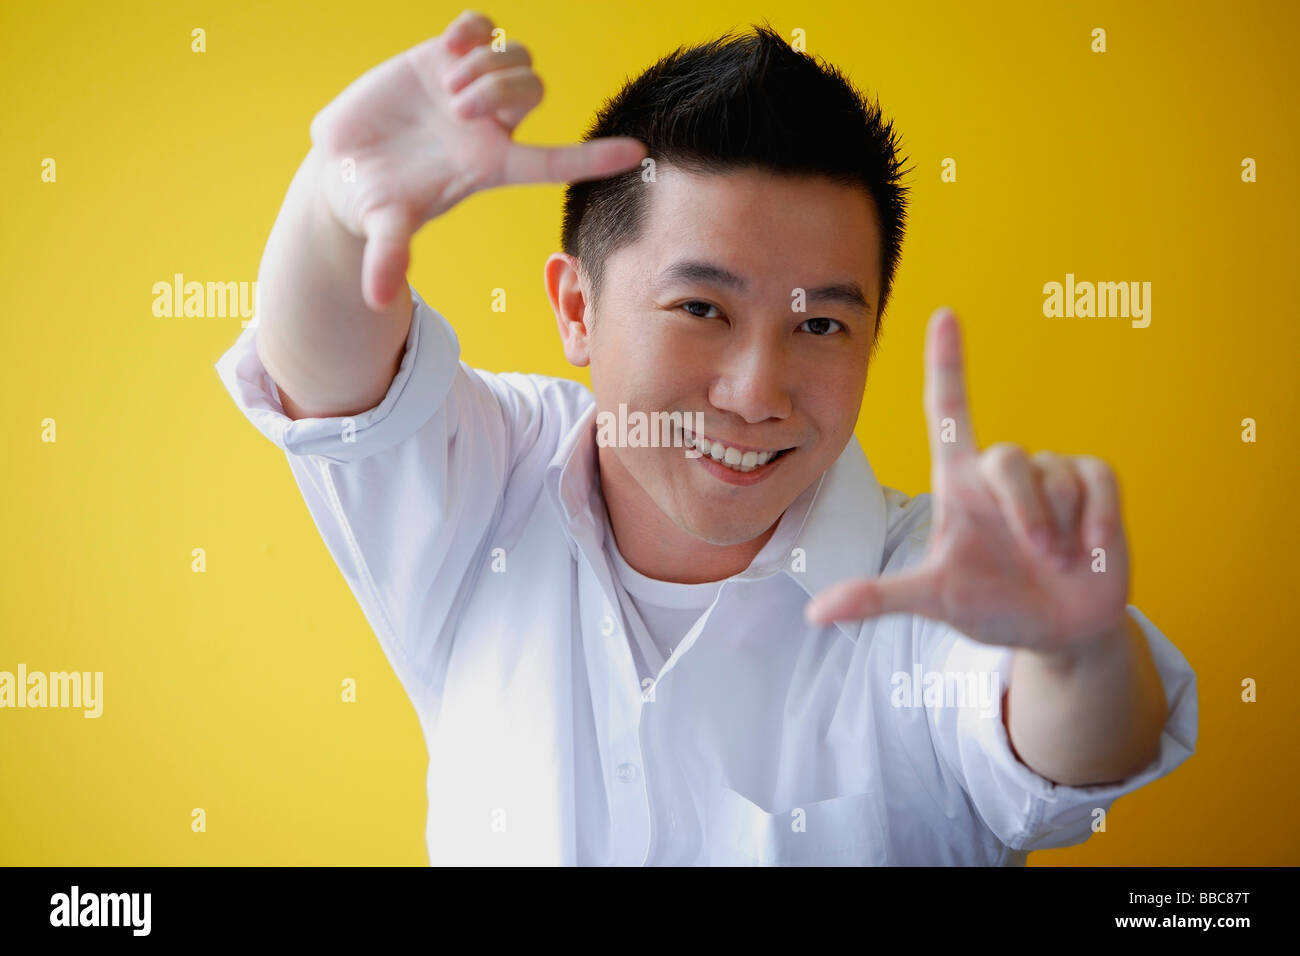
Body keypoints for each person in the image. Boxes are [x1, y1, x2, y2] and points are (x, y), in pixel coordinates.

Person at [215, 10, 1197, 865]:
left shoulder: (939, 577)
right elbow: (334, 384)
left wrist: (1075, 653)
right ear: (576, 307)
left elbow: (1070, 745)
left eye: (820, 325)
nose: (756, 390)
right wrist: (330, 205)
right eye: (699, 306)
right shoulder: (492, 484)